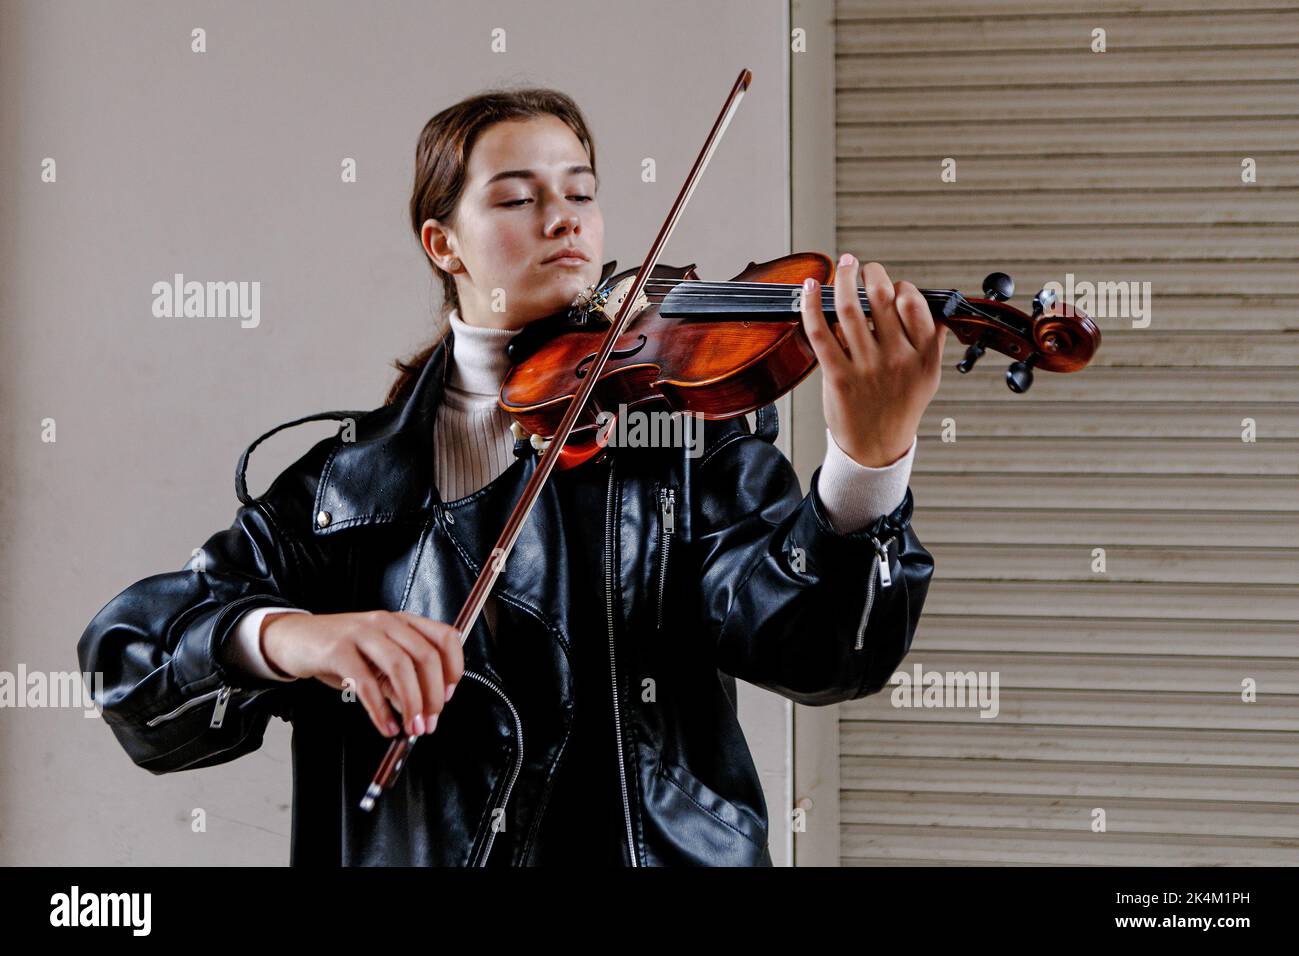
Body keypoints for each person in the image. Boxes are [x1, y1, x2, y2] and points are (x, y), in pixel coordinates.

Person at [77, 87, 943, 866]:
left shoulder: (683, 434)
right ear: (443, 243)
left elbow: (823, 654)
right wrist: (296, 639)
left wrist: (868, 462)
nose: (564, 219)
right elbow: (132, 668)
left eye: (581, 191)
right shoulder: (343, 486)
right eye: (519, 198)